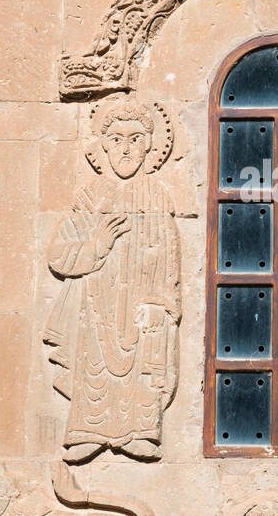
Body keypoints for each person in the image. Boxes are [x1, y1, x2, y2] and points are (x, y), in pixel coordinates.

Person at [45, 97, 180, 463]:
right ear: (103, 146)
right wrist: (97, 244)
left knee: (142, 361)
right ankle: (87, 432)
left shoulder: (157, 196)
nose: (126, 149)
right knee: (94, 363)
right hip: (96, 302)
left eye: (136, 139)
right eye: (117, 140)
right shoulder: (91, 197)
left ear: (150, 145)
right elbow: (59, 253)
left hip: (143, 303)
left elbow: (170, 261)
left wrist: (162, 304)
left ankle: (141, 432)